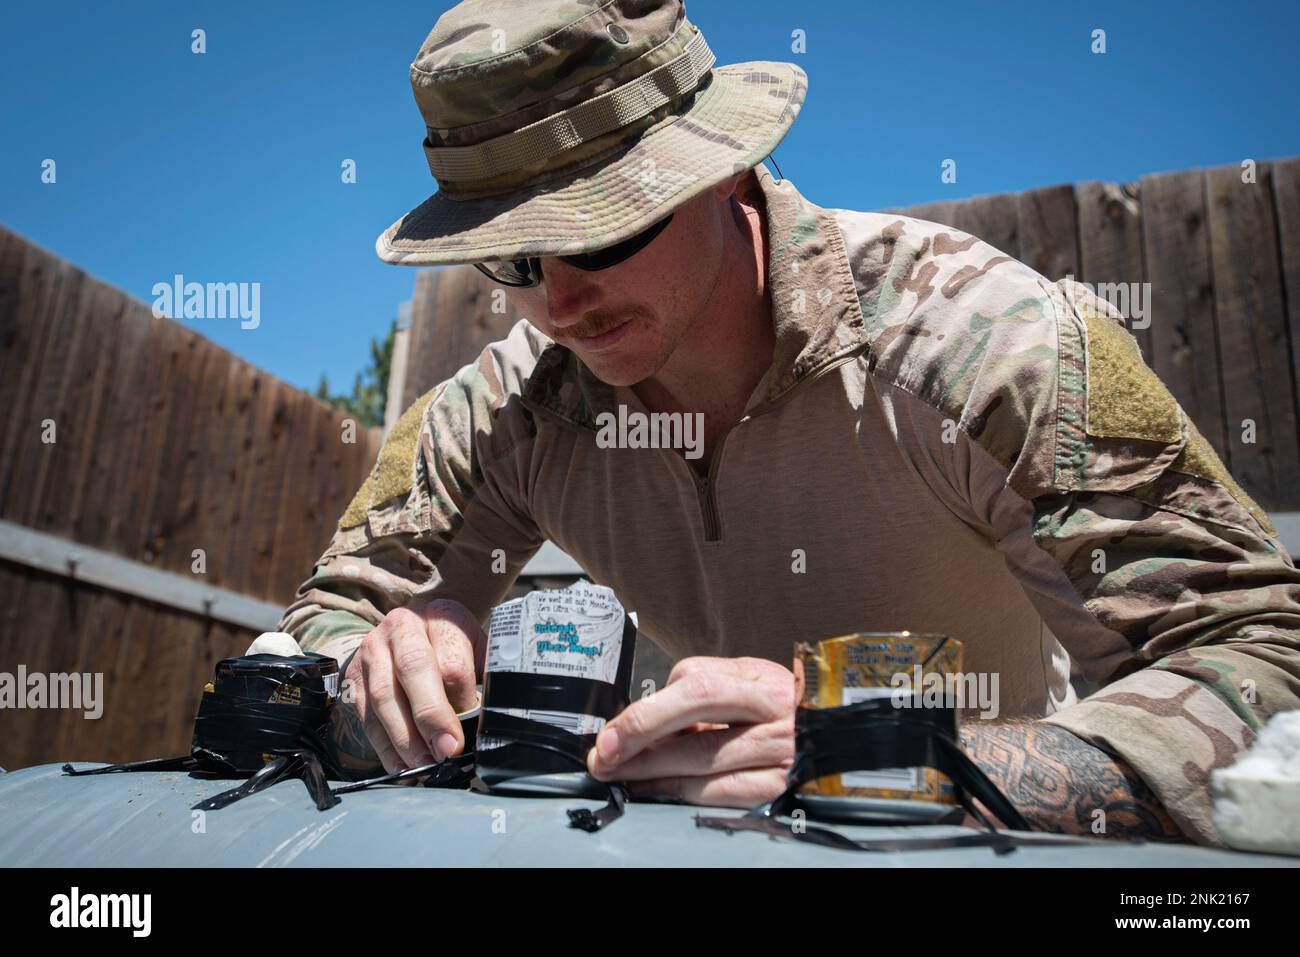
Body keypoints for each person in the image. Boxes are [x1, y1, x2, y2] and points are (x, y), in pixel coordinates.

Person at [276, 0, 1300, 846]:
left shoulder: (984, 342)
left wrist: (876, 755)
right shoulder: (504, 415)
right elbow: (309, 644)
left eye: (602, 232)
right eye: (512, 260)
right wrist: (385, 666)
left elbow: (1262, 664)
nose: (559, 305)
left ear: (719, 165)